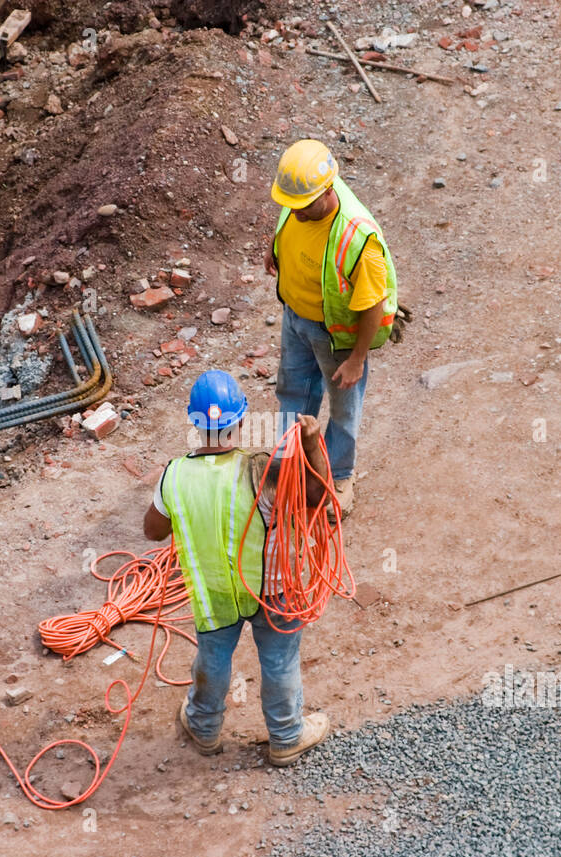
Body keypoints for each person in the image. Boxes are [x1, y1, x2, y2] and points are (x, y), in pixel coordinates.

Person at [143, 369, 330, 766]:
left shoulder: (173, 476)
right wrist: (312, 446)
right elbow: (317, 500)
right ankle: (286, 736)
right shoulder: (259, 469)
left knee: (213, 658)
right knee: (279, 662)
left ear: (193, 422)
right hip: (273, 589)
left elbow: (152, 531)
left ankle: (204, 728)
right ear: (242, 421)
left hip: (214, 594)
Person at [264, 138, 398, 518]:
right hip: (295, 320)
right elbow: (289, 222)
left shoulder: (358, 238)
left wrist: (357, 359)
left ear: (326, 192)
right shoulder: (299, 202)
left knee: (343, 408)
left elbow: (374, 303)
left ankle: (339, 474)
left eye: (302, 206)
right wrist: (274, 248)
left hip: (336, 338)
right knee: (292, 391)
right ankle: (290, 469)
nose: (295, 212)